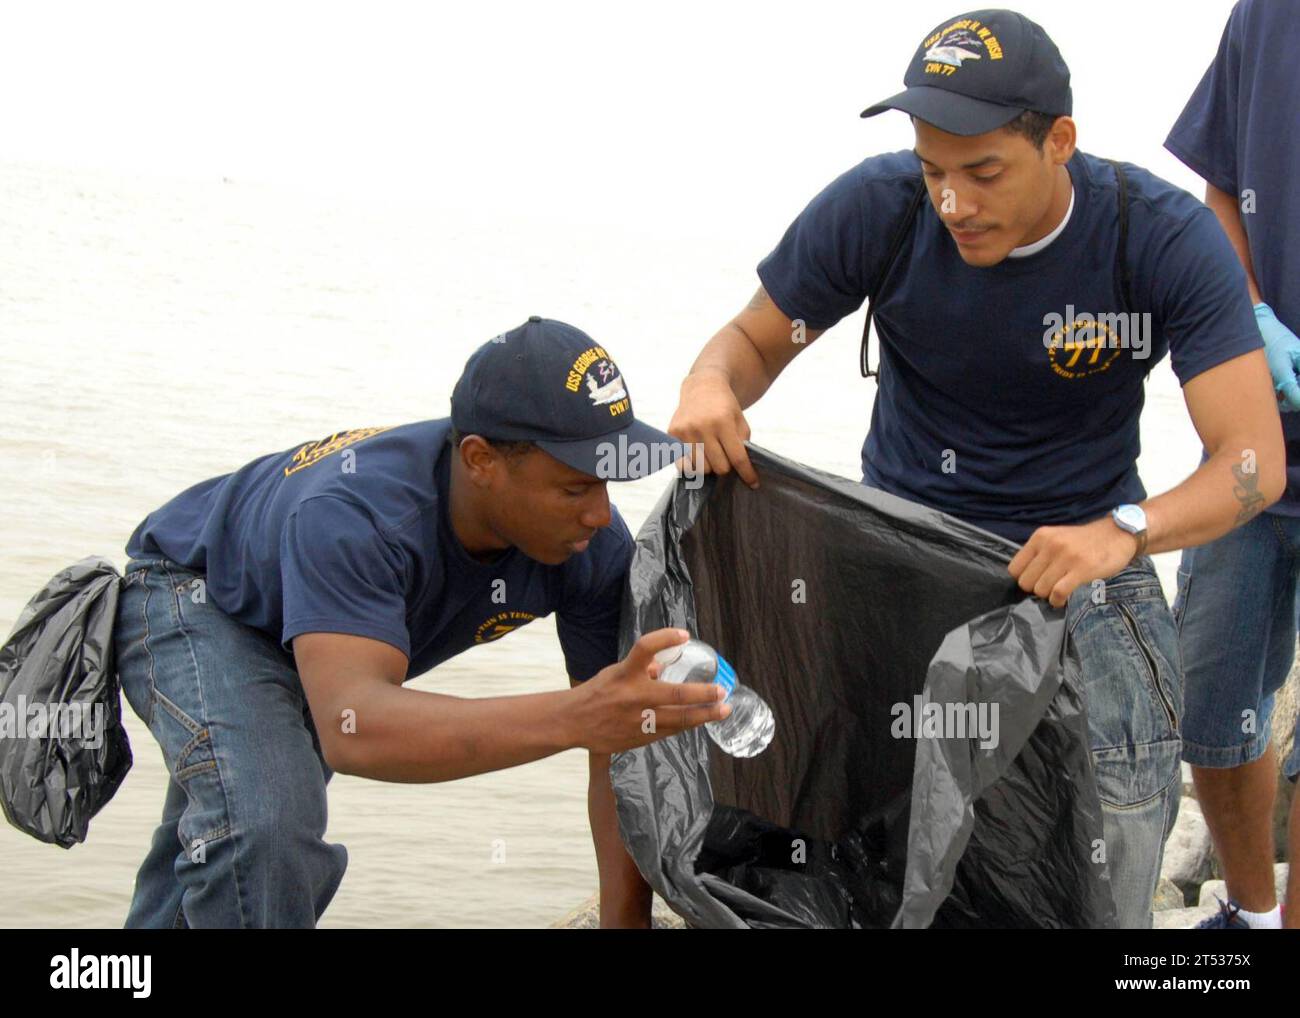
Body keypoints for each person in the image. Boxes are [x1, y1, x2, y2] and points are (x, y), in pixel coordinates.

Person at [668, 8, 1285, 927]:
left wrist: (1125, 531)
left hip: (1080, 563)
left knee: (1100, 850)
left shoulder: (1153, 237)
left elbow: (1252, 464)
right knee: (857, 842)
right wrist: (710, 385)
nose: (952, 202)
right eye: (934, 172)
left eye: (983, 171)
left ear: (1060, 143)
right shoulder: (881, 208)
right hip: (901, 559)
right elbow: (751, 344)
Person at [113, 316, 719, 928]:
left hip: (332, 639)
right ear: (480, 459)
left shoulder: (591, 548)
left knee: (224, 840)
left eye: (608, 484)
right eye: (573, 489)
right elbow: (355, 730)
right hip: (201, 598)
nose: (599, 513)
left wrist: (625, 921)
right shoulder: (355, 517)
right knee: (263, 824)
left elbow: (612, 743)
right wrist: (575, 716)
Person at [1164, 0, 1300, 930]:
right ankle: (1251, 915)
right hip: (1260, 430)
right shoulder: (1265, 14)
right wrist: (1247, 312)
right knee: (1209, 700)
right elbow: (1222, 188)